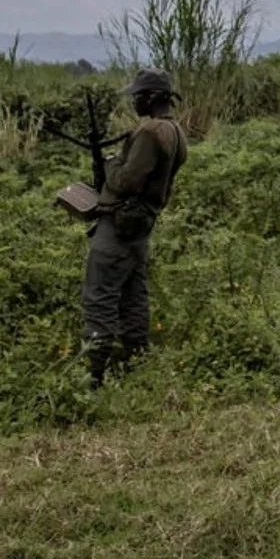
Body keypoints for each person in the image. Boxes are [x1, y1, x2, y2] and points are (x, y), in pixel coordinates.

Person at [83, 68, 188, 388]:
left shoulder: (150, 132)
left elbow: (127, 180)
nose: (133, 102)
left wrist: (110, 163)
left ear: (150, 98)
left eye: (137, 96)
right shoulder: (176, 131)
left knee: (99, 297)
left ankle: (93, 375)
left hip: (119, 226)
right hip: (141, 226)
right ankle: (136, 364)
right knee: (134, 297)